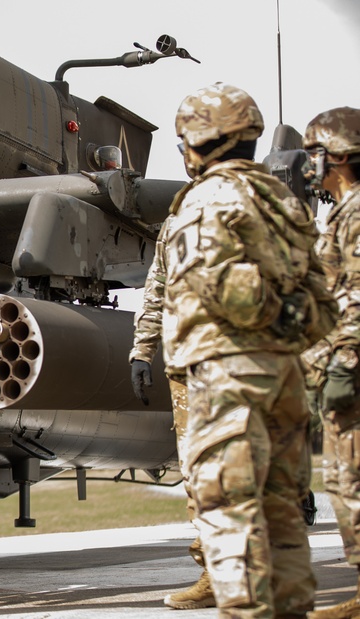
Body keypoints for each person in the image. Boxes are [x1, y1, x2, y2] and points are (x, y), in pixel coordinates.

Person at [161, 83, 337, 618]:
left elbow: (221, 287)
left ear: (199, 141)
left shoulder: (207, 199)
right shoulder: (282, 199)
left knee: (231, 526)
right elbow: (321, 302)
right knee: (283, 526)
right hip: (284, 381)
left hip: (228, 383)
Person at [130, 212, 216, 610]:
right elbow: (159, 285)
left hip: (238, 363)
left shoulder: (250, 202)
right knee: (199, 474)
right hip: (187, 367)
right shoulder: (178, 217)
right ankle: (216, 574)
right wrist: (142, 350)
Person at [299, 107, 360, 619]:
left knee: (351, 481)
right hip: (339, 366)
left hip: (352, 371)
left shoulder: (357, 214)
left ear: (336, 156)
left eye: (313, 153)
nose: (308, 164)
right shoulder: (340, 213)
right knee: (343, 481)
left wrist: (346, 363)